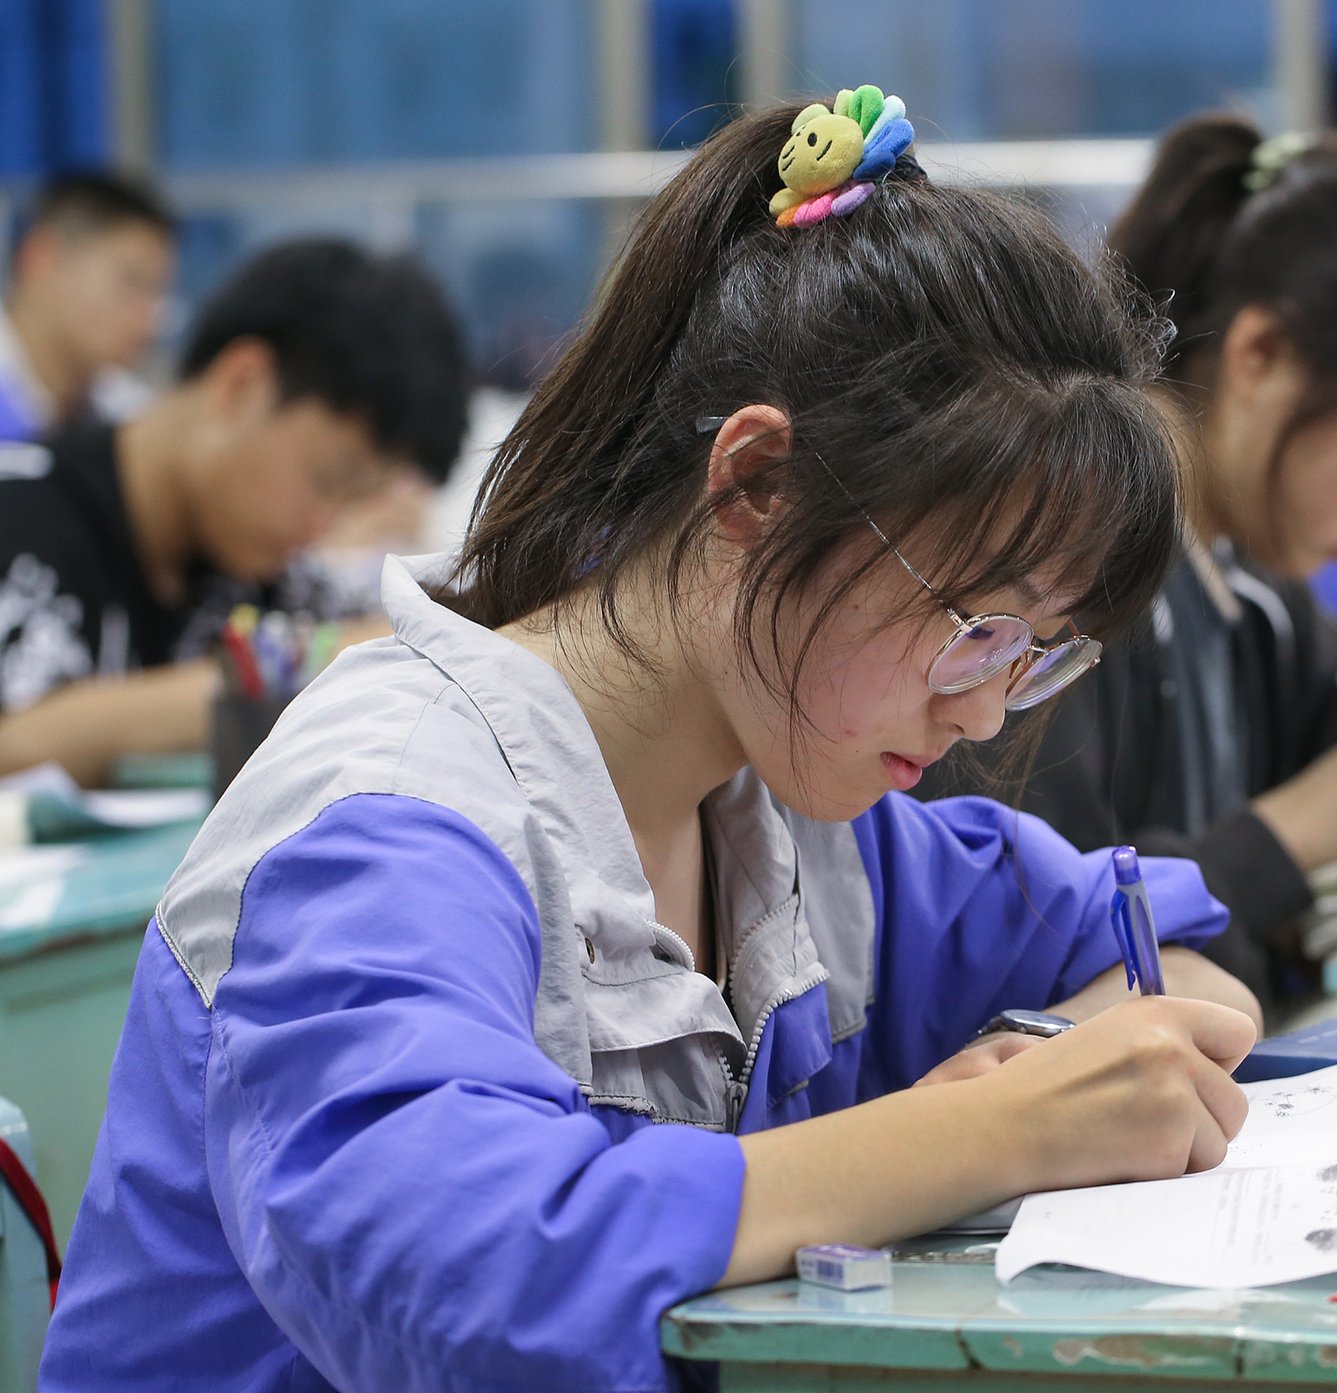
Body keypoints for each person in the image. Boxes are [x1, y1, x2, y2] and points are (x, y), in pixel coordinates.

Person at [39, 89, 1260, 1393]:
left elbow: (1180, 967)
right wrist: (986, 1131)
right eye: (976, 627)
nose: (986, 710)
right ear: (754, 487)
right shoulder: (386, 825)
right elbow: (482, 1286)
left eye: (1038, 654)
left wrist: (1042, 1071)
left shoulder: (794, 820)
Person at [923, 115, 1337, 1006]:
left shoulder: (1251, 602)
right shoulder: (1057, 585)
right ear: (1262, 355)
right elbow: (1019, 933)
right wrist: (1300, 831)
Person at [0, 237, 470, 784]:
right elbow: (15, 742)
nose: (324, 527)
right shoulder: (22, 509)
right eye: (327, 482)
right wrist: (309, 666)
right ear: (242, 384)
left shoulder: (259, 572)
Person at [0, 171, 175, 441]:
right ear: (42, 258)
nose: (152, 317)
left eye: (157, 292)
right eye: (133, 281)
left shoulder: (132, 418)